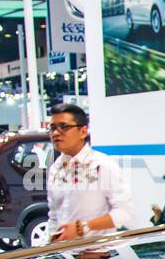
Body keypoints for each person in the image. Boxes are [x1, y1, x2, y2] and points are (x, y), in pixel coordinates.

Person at [45, 102, 133, 242]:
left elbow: (125, 212)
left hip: (97, 256)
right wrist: (50, 244)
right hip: (64, 255)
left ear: (83, 131)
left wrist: (83, 227)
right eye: (53, 128)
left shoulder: (102, 164)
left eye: (64, 127)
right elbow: (54, 215)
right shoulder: (55, 168)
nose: (55, 133)